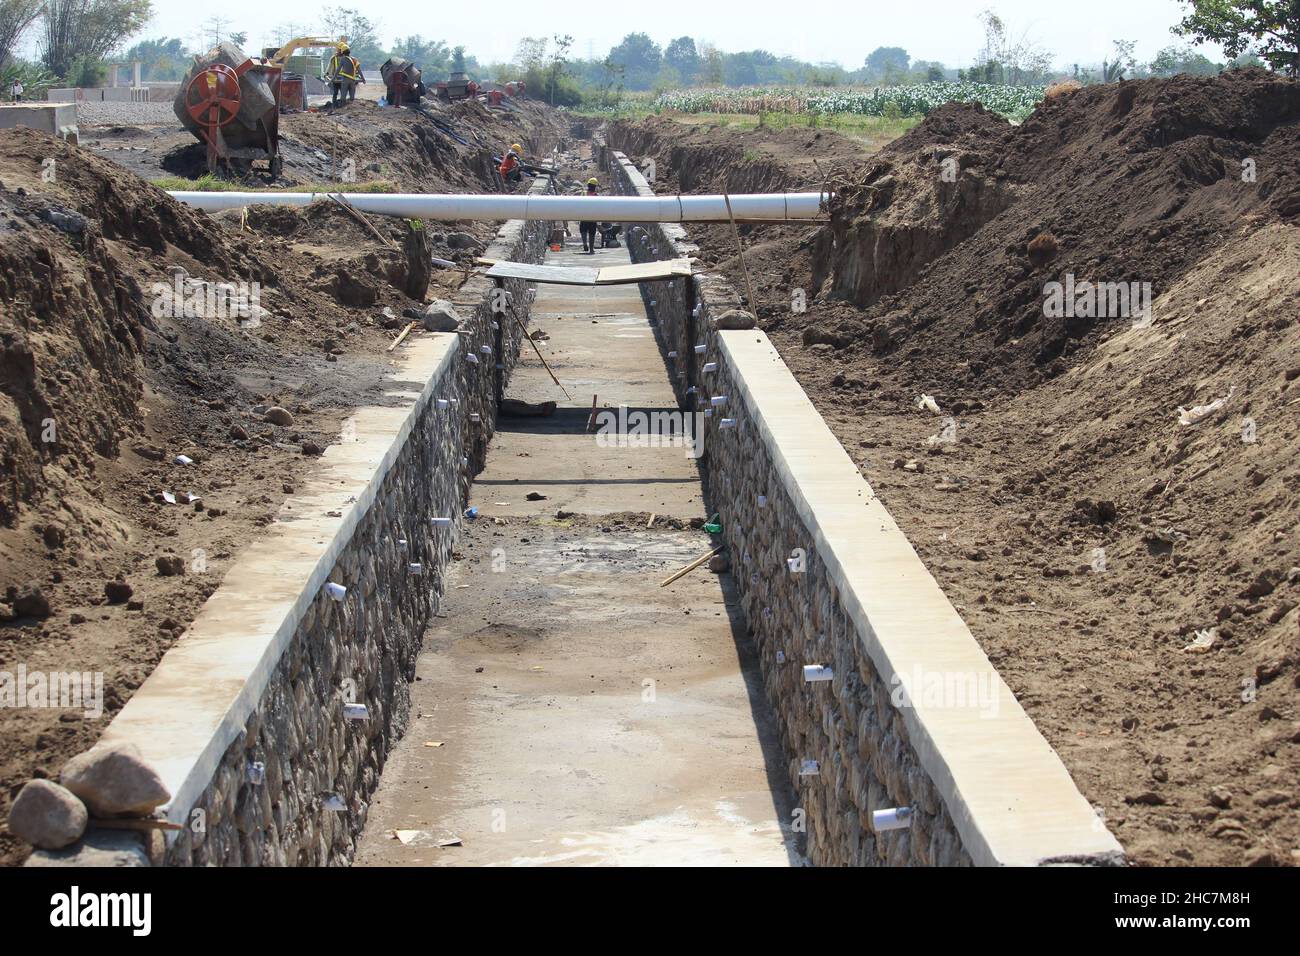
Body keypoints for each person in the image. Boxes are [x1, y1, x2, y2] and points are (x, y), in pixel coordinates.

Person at [328, 43, 364, 107]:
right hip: (352, 80)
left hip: (345, 79)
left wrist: (332, 79)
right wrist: (363, 79)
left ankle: (342, 109)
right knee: (351, 96)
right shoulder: (354, 59)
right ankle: (349, 109)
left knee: (343, 97)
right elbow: (359, 70)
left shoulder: (343, 59)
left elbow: (338, 70)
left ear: (342, 51)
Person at [580, 177, 599, 254]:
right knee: (592, 233)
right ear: (595, 187)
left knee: (583, 230)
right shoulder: (596, 195)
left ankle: (585, 244)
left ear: (588, 185)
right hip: (592, 217)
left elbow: (579, 203)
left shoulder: (584, 193)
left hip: (584, 216)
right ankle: (591, 249)